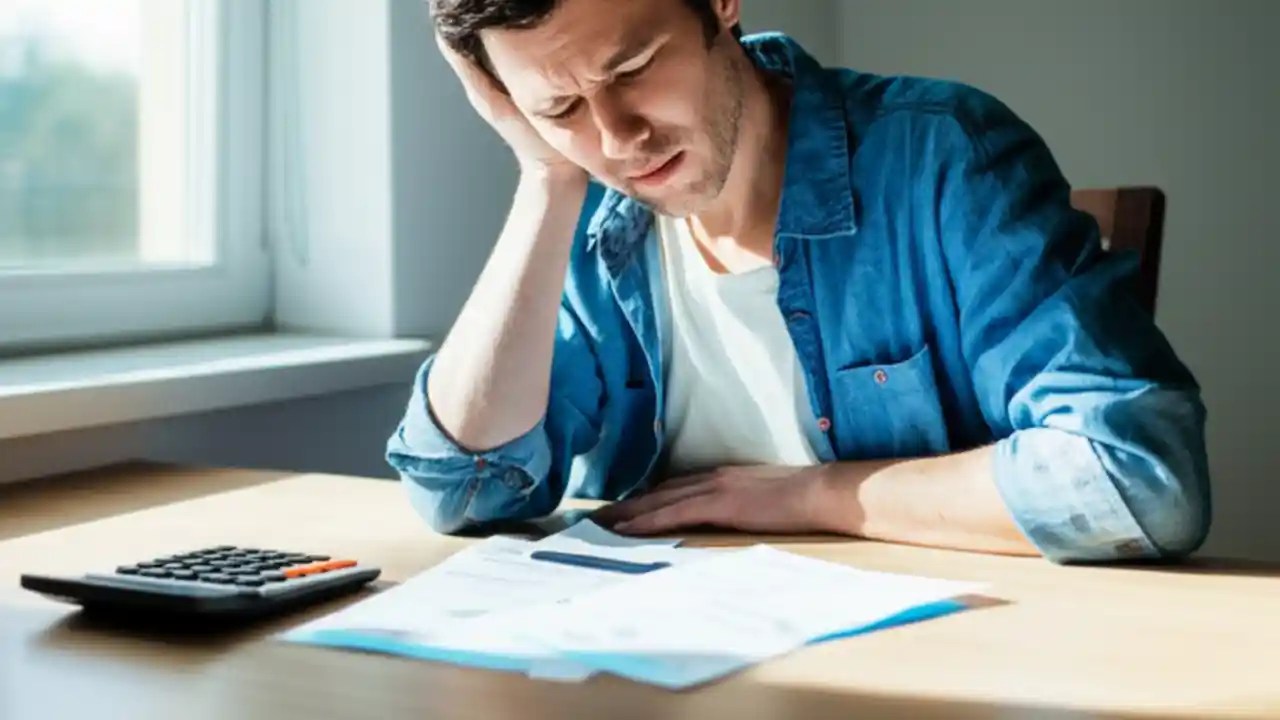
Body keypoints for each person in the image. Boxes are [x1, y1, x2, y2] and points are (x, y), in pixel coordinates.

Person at [386, 0, 1211, 562]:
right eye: (559, 107)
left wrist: (810, 497)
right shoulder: (591, 215)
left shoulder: (944, 158)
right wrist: (544, 176)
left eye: (632, 66)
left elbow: (1134, 476)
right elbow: (460, 490)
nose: (617, 139)